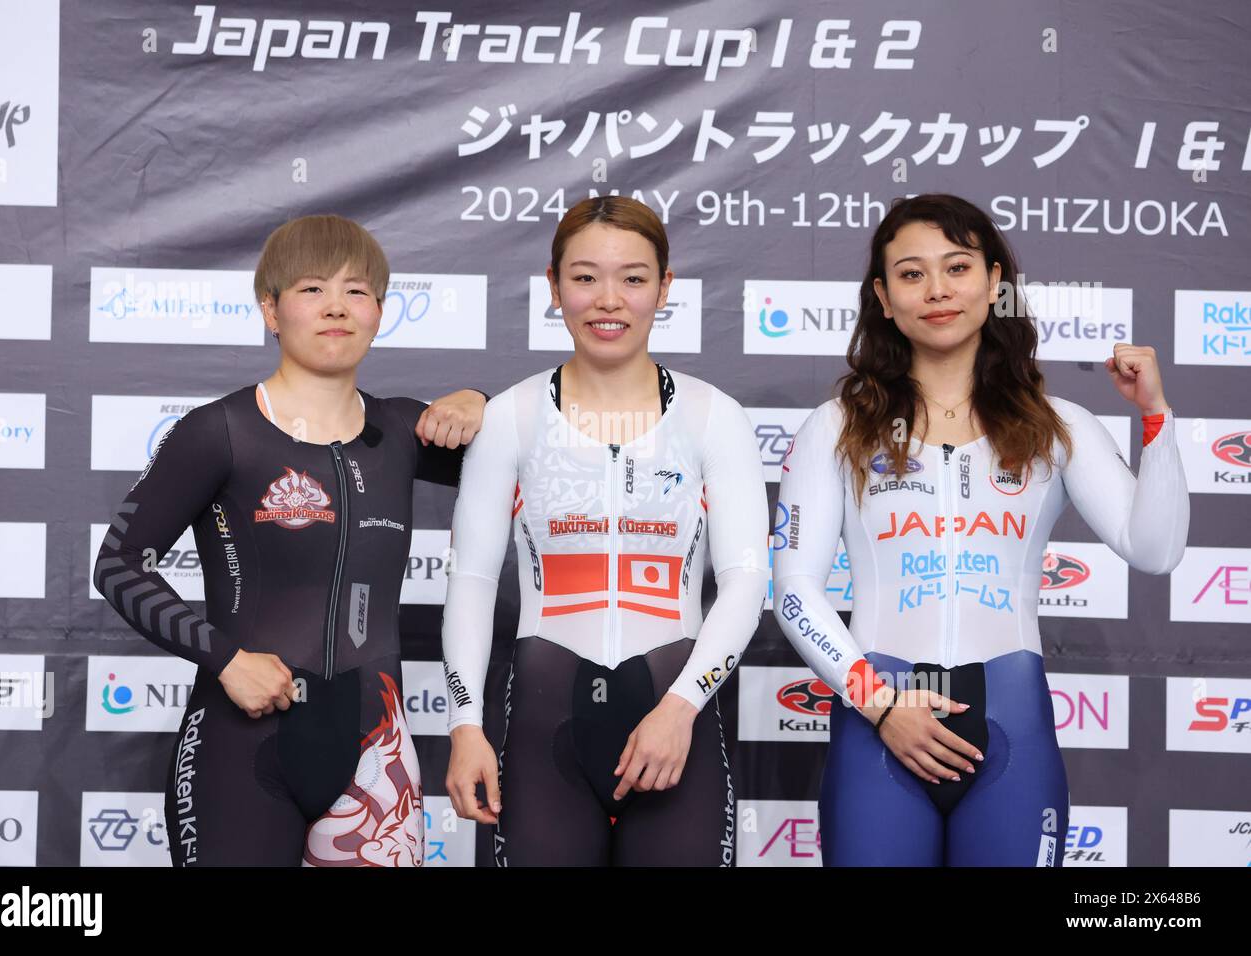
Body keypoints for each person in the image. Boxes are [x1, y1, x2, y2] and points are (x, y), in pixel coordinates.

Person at [772, 194, 1189, 867]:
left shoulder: (1059, 425)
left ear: (995, 282)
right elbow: (794, 589)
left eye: (957, 267)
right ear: (883, 297)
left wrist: (1155, 416)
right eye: (911, 274)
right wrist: (880, 705)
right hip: (878, 725)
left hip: (1012, 726)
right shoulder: (837, 427)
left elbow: (1157, 550)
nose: (937, 290)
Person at [94, 214, 487, 866]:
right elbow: (119, 564)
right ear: (270, 310)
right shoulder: (219, 430)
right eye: (312, 289)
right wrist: (226, 659)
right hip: (239, 744)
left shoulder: (403, 430)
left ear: (380, 312)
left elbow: (540, 450)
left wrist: (479, 401)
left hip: (376, 750)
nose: (337, 306)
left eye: (357, 291)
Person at [441, 196, 768, 866]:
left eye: (633, 278)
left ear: (665, 288)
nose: (608, 300)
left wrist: (680, 708)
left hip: (676, 723)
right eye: (585, 277)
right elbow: (470, 581)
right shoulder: (509, 417)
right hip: (545, 728)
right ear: (553, 286)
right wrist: (465, 725)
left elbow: (745, 582)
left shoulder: (714, 415)